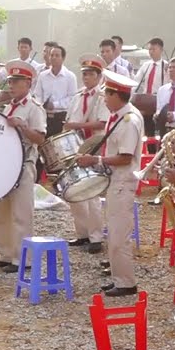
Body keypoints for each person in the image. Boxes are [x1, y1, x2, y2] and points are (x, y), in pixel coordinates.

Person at [77, 70, 143, 296]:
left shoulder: (129, 121)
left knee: (118, 235)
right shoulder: (120, 116)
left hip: (123, 181)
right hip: (116, 180)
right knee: (114, 233)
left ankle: (126, 282)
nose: (104, 98)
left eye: (107, 94)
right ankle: (118, 277)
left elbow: (125, 157)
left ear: (117, 95)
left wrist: (96, 160)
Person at [0, 61, 47, 274]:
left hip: (24, 163)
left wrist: (23, 125)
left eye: (16, 81)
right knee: (3, 212)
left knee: (22, 213)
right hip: (6, 164)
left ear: (28, 83)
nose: (11, 85)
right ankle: (6, 254)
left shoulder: (34, 107)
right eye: (10, 81)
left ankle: (23, 259)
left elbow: (40, 138)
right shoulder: (8, 107)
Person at [65, 55, 109, 253]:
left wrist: (77, 125)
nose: (86, 77)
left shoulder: (102, 96)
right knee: (76, 190)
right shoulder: (77, 97)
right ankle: (82, 233)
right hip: (77, 146)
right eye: (84, 74)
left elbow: (102, 122)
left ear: (99, 76)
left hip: (94, 146)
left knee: (92, 193)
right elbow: (69, 120)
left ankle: (96, 237)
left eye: (90, 74)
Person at [133, 37, 168, 137]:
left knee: (156, 131)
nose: (151, 52)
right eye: (150, 49)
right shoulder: (146, 65)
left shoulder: (166, 66)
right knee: (145, 130)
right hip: (145, 103)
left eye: (154, 49)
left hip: (158, 103)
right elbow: (136, 82)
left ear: (161, 50)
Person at [34, 44, 78, 113]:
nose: (53, 58)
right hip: (43, 114)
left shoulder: (70, 77)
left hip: (62, 115)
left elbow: (72, 98)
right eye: (51, 55)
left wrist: (55, 105)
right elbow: (38, 95)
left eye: (57, 55)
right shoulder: (42, 75)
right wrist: (41, 104)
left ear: (63, 58)